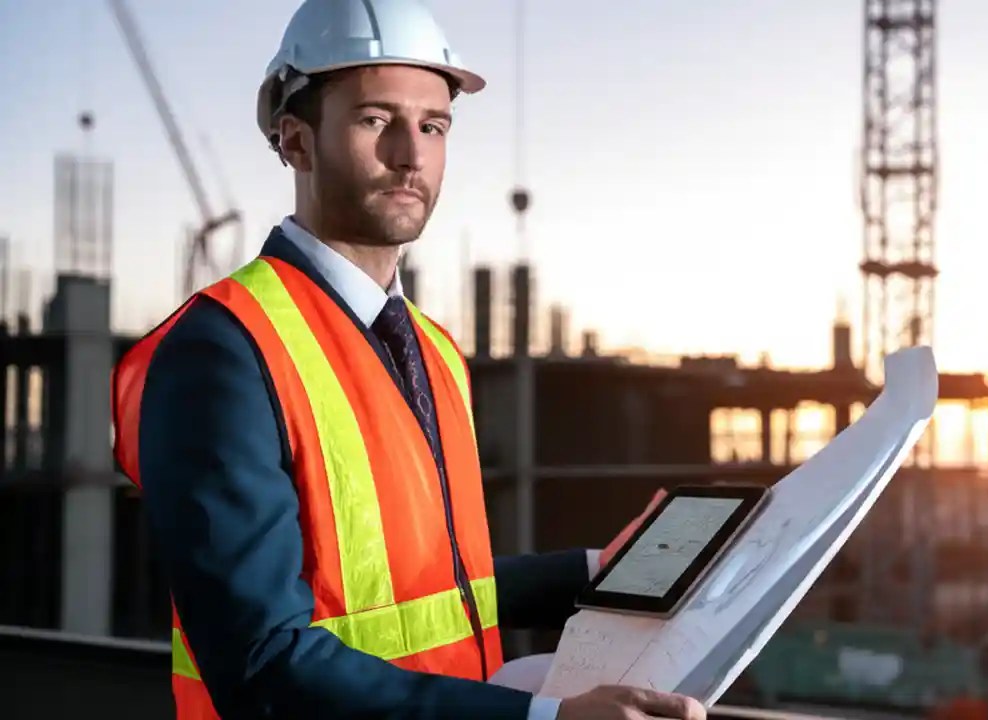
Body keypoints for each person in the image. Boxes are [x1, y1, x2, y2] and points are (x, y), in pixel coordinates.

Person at [110, 1, 706, 718]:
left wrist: (593, 572)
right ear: (296, 143)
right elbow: (260, 661)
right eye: (374, 121)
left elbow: (423, 596)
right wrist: (544, 719)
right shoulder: (223, 350)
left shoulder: (433, 349)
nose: (411, 154)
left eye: (433, 126)